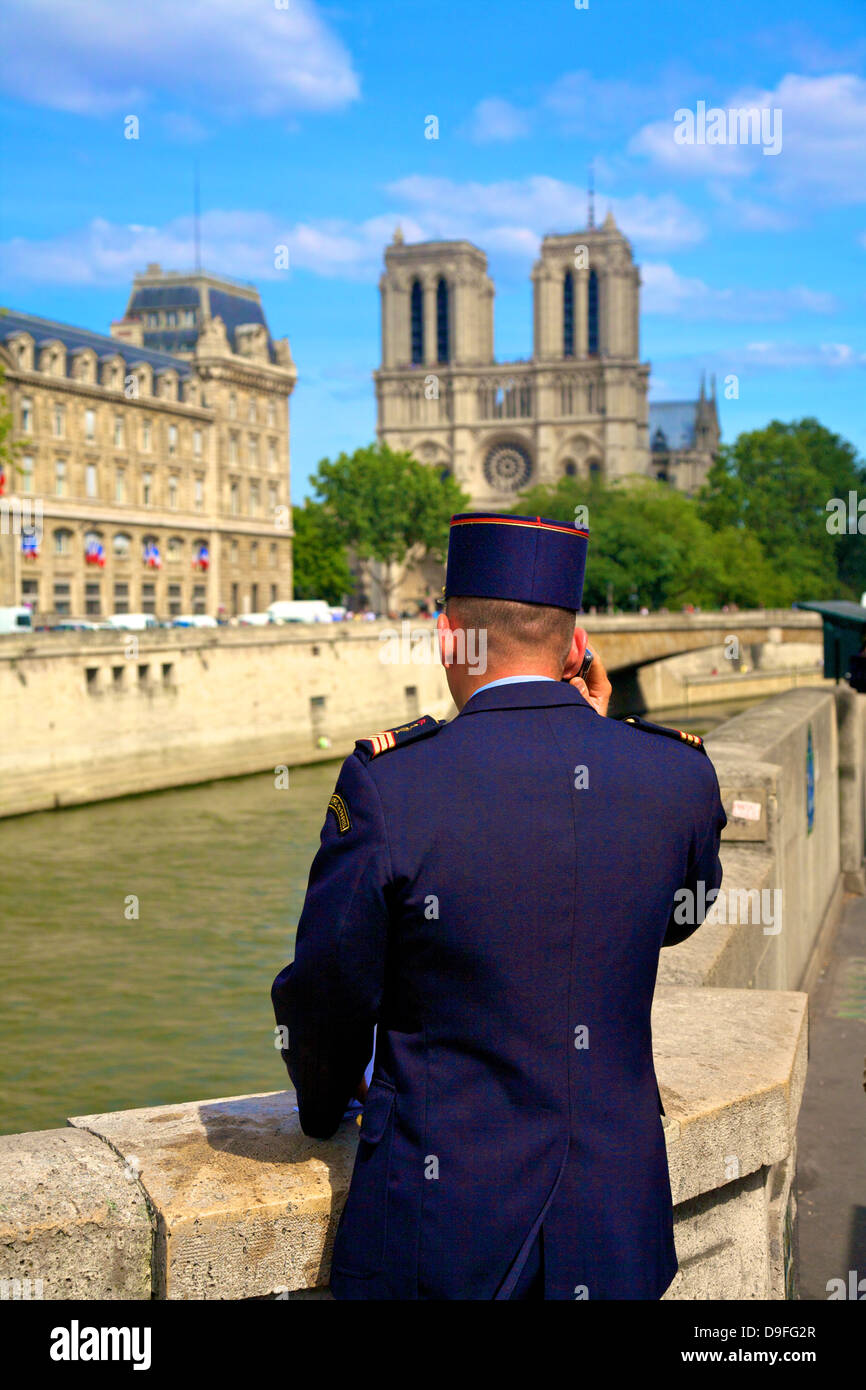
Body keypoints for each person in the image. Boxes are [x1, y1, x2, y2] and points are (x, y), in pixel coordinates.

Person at [271, 510, 727, 1300]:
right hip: (618, 1223)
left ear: (450, 640)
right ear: (576, 649)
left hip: (439, 1230)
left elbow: (329, 987)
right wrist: (594, 734)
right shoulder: (676, 775)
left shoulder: (392, 783)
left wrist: (319, 1107)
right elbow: (676, 920)